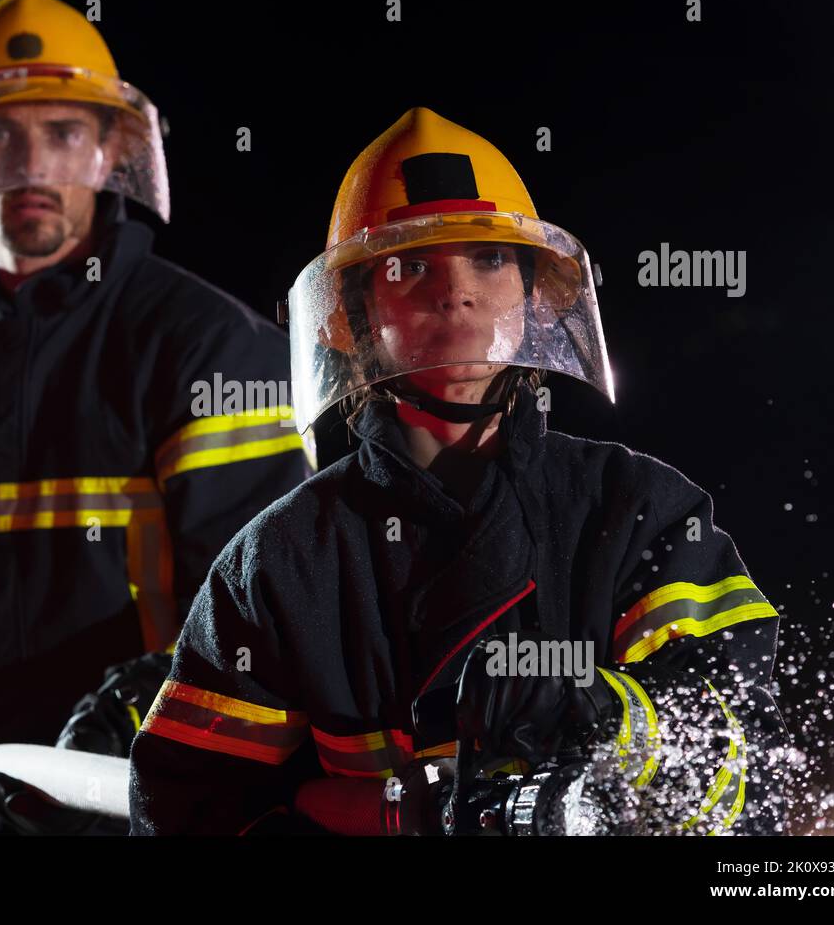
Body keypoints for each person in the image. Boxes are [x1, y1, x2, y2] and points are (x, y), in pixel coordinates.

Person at [128, 108, 792, 835]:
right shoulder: (279, 563)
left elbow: (736, 749)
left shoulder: (639, 511)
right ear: (348, 318)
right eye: (407, 266)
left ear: (537, 294)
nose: (456, 293)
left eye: (489, 258)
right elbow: (188, 810)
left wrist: (602, 712)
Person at [0, 0, 309, 835]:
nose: (32, 168)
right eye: (0, 136)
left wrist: (126, 730)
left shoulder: (206, 348)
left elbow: (265, 611)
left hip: (157, 802)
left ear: (108, 152)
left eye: (62, 133)